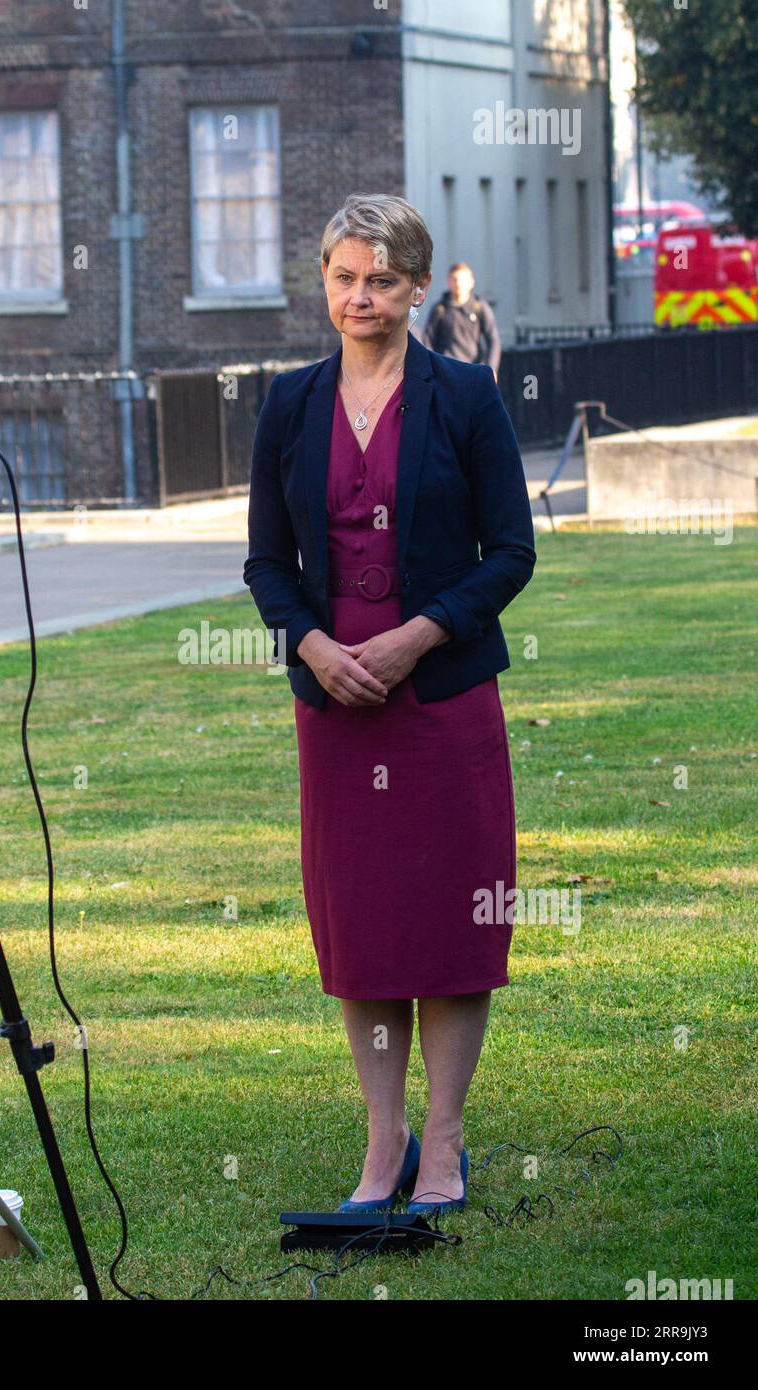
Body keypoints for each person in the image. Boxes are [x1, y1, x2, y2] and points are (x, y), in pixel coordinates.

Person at [243, 194, 535, 1216]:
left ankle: (446, 1144)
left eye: (379, 279)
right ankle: (384, 1145)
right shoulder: (288, 403)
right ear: (321, 281)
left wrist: (419, 634)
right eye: (342, 278)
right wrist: (315, 645)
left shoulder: (463, 397)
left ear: (416, 286)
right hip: (334, 708)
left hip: (444, 700)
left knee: (452, 920)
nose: (359, 296)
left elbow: (511, 552)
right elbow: (265, 564)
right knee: (362, 929)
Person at [422, 261, 501, 381]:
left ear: (471, 282)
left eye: (462, 280)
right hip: (446, 375)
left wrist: (491, 368)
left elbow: (493, 340)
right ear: (448, 282)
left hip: (474, 372)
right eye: (454, 279)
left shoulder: (479, 307)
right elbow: (427, 341)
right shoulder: (440, 310)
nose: (458, 284)